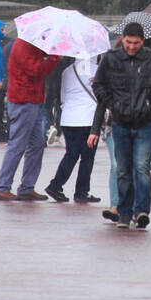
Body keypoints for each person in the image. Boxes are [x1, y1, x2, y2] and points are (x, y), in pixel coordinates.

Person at [90, 22, 151, 230]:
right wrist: (112, 104)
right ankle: (124, 213)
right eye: (128, 42)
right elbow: (98, 84)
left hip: (146, 122)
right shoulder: (110, 58)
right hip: (120, 122)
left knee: (142, 167)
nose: (132, 46)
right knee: (123, 169)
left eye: (136, 43)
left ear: (142, 41)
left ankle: (141, 211)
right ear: (122, 39)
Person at [0, 36, 60, 202]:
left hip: (33, 99)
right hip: (24, 99)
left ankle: (27, 187)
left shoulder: (30, 44)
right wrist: (54, 58)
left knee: (36, 145)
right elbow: (35, 69)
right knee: (18, 144)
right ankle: (2, 186)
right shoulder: (23, 45)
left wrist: (51, 53)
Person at [46, 54, 101, 203]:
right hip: (89, 118)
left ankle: (56, 185)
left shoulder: (67, 71)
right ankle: (81, 192)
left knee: (71, 154)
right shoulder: (98, 70)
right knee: (87, 158)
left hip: (69, 117)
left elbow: (63, 97)